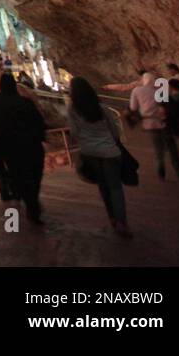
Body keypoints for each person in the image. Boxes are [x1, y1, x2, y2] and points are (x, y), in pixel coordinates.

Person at [67, 77, 131, 237]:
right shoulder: (102, 108)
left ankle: (112, 218)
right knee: (115, 187)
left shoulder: (72, 110)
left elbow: (74, 132)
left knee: (103, 186)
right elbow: (115, 130)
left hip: (90, 153)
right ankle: (122, 221)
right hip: (110, 152)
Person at [0, 72, 47, 223]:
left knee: (17, 174)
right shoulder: (25, 102)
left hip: (8, 147)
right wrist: (41, 138)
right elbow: (38, 121)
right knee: (34, 175)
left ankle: (28, 201)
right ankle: (32, 202)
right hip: (30, 145)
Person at [129, 71, 179, 180]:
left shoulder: (137, 90)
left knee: (158, 147)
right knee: (172, 146)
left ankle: (161, 166)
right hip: (164, 122)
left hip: (150, 123)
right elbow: (166, 106)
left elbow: (133, 108)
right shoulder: (161, 89)